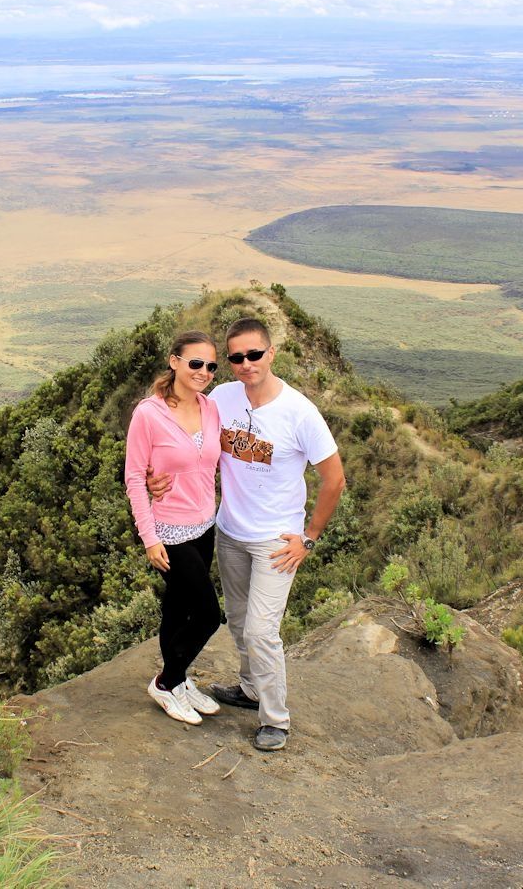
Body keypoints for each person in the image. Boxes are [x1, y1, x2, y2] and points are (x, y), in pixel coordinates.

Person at [151, 317, 345, 751]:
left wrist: (308, 537)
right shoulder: (221, 397)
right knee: (238, 621)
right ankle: (249, 687)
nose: (245, 364)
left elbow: (334, 480)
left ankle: (275, 718)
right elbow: (179, 435)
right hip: (229, 531)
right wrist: (153, 479)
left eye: (254, 354)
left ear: (271, 353)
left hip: (276, 541)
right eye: (235, 357)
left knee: (260, 631)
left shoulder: (299, 412)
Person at [124, 330, 225, 725]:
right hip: (168, 531)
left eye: (211, 366)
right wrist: (149, 539)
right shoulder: (149, 414)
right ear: (174, 361)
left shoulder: (210, 408)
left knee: (178, 609)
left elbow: (215, 461)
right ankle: (166, 682)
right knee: (207, 615)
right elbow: (134, 478)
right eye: (195, 363)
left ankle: (180, 681)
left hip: (205, 526)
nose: (203, 372)